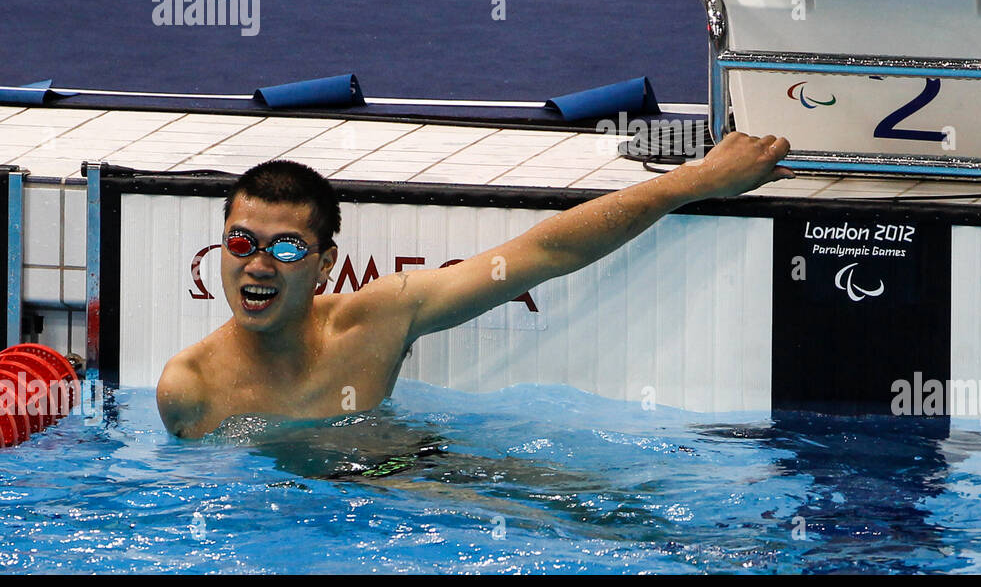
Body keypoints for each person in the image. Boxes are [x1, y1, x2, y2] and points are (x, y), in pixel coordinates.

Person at [157, 131, 792, 437]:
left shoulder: (377, 318)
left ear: (326, 266)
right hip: (299, 531)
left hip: (406, 481)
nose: (257, 264)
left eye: (287, 246)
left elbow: (546, 251)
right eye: (241, 242)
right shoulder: (190, 389)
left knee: (605, 515)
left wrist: (699, 180)